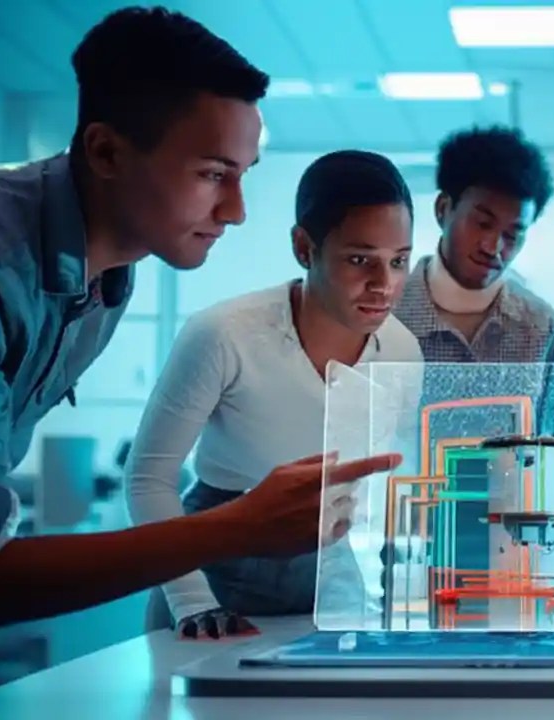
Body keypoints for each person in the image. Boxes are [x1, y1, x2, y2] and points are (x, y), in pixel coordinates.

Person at [0, 7, 397, 707]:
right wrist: (233, 530)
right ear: (107, 152)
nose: (238, 210)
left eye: (244, 174)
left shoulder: (108, 272)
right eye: (214, 174)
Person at [125, 150, 424, 638]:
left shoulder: (402, 351)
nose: (384, 285)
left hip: (330, 575)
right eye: (359, 259)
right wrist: (193, 603)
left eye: (399, 261)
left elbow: (387, 483)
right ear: (304, 248)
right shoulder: (224, 334)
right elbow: (147, 477)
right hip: (213, 567)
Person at [393, 126, 554, 435]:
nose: (493, 247)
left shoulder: (539, 327)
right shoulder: (388, 312)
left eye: (512, 234)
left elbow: (550, 444)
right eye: (482, 223)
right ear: (443, 209)